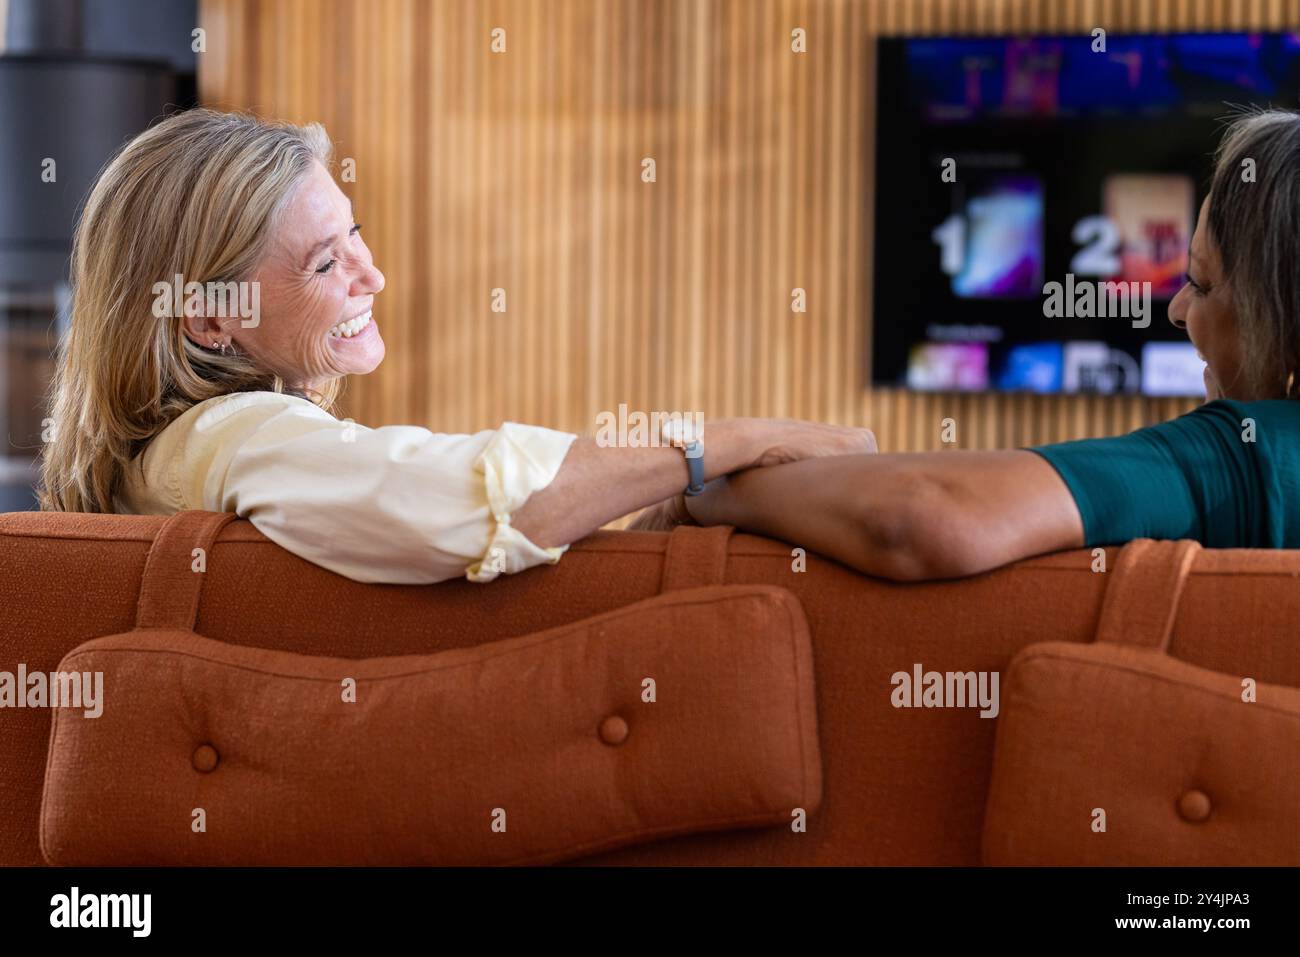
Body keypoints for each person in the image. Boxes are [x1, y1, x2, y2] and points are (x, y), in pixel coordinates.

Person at [37, 108, 874, 584]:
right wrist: (730, 440)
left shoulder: (179, 454)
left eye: (354, 234)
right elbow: (480, 504)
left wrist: (649, 509)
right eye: (328, 261)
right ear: (210, 319)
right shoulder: (230, 436)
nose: (376, 276)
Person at [634, 109, 1300, 580]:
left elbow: (923, 518)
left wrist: (705, 486)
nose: (1179, 309)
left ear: (1281, 315)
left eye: (1202, 282)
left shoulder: (1249, 452)